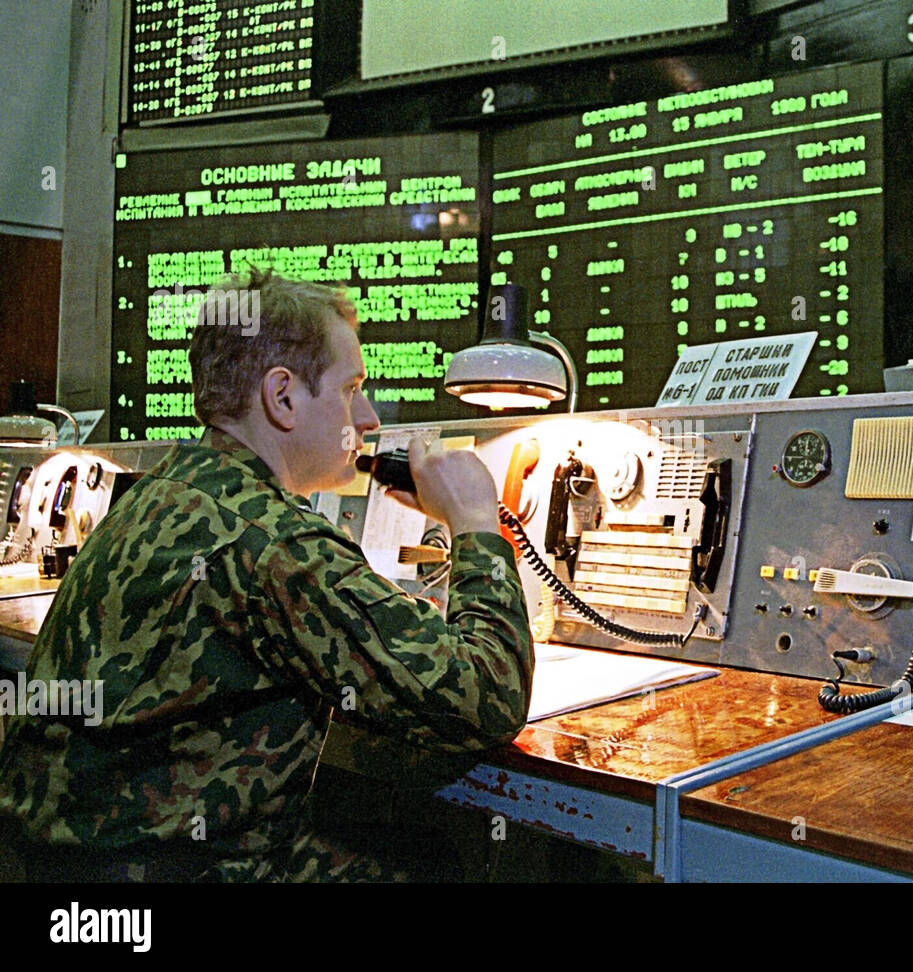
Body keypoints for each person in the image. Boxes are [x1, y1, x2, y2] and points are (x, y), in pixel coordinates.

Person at [0, 268, 534, 881]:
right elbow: (488, 698)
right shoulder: (277, 543)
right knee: (432, 863)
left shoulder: (160, 493)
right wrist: (473, 520)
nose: (366, 419)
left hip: (60, 870)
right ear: (282, 398)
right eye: (351, 388)